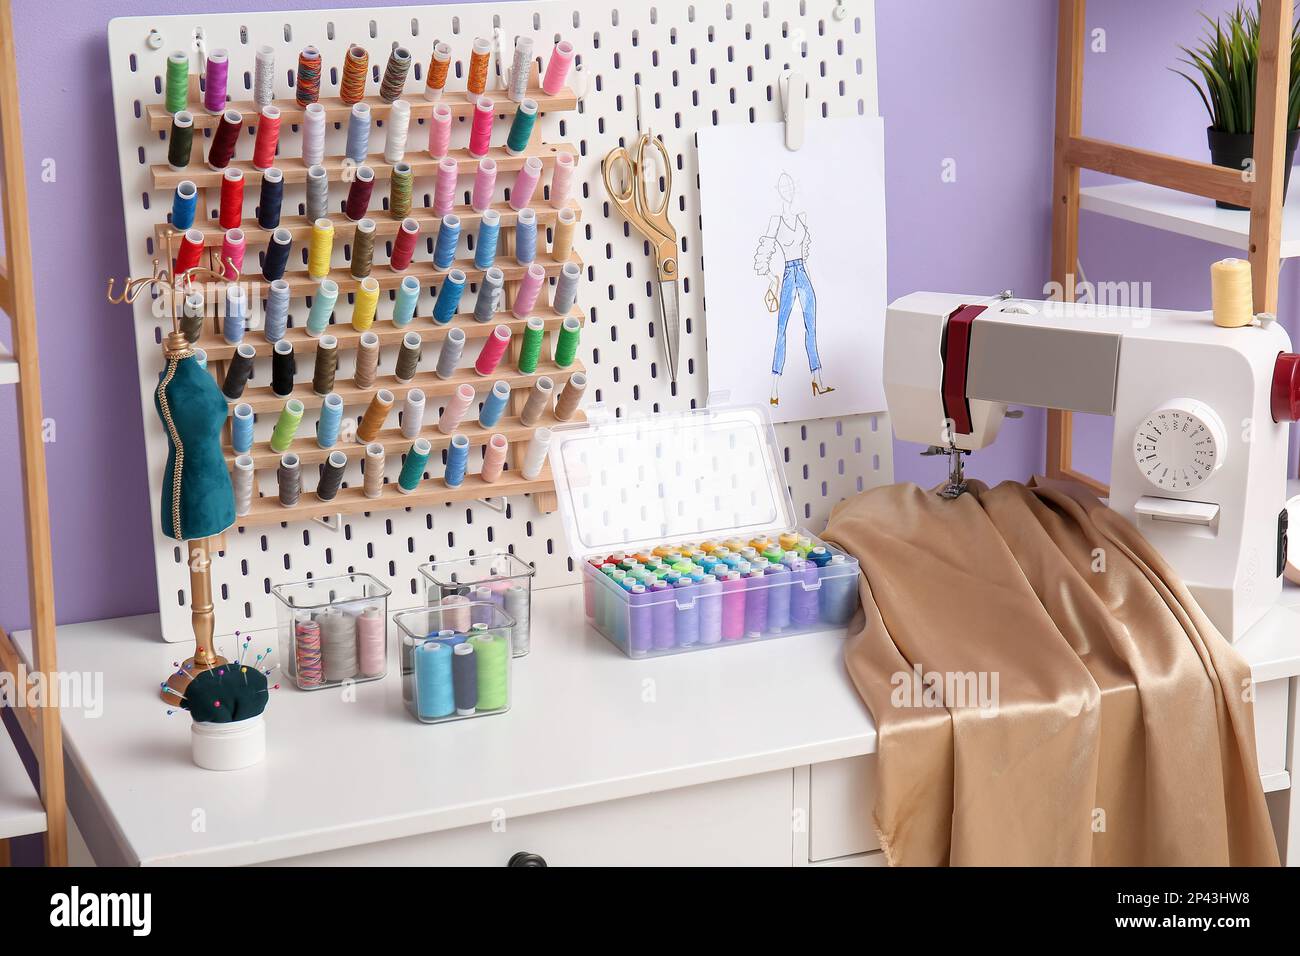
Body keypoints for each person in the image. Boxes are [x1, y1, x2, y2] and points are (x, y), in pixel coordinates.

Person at [754, 172, 833, 406]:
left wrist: (812, 280)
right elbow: (763, 254)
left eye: (790, 186)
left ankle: (817, 379)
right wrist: (771, 279)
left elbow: (806, 253)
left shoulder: (802, 218)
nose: (787, 190)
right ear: (779, 191)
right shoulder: (776, 222)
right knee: (781, 330)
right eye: (783, 186)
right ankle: (774, 388)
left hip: (803, 274)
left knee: (811, 328)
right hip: (789, 273)